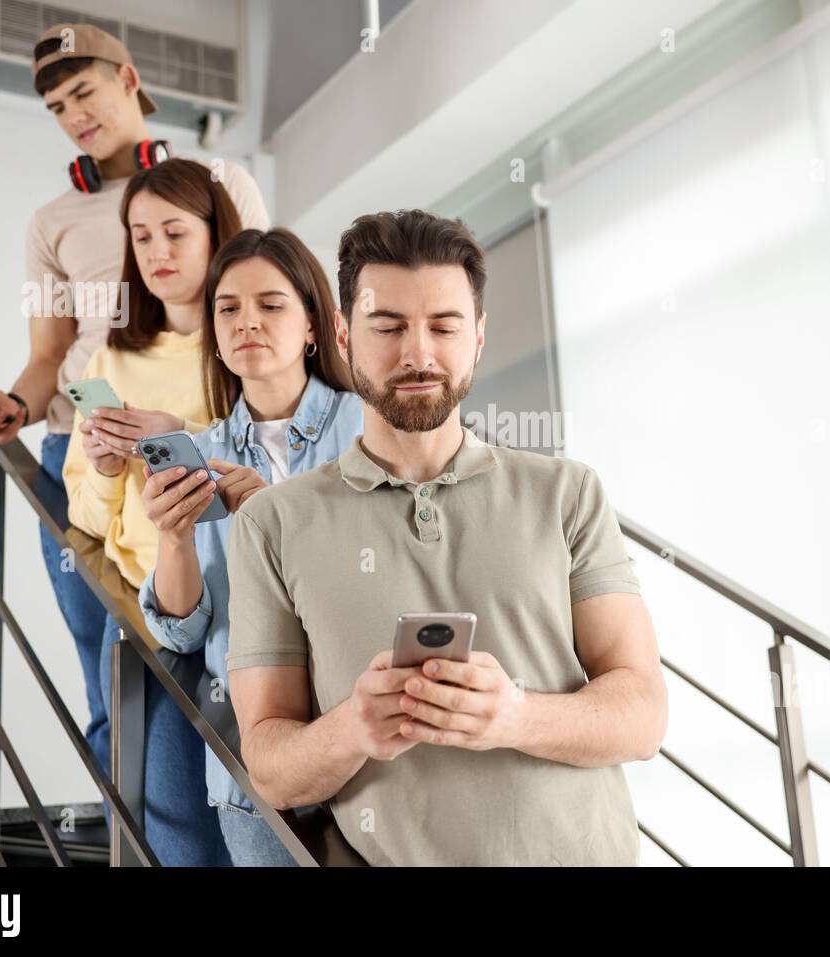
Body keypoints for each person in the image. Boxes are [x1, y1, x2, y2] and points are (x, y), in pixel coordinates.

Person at [225, 209, 669, 866]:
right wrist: (354, 728)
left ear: (479, 336)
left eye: (444, 326)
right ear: (344, 335)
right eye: (389, 325)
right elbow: (269, 764)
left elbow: (642, 714)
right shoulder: (273, 523)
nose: (418, 353)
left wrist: (514, 715)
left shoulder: (567, 492)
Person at [0, 22, 269, 781]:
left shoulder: (222, 182)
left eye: (83, 92)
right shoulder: (51, 223)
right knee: (110, 674)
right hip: (81, 454)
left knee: (214, 664)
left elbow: (265, 306)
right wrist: (15, 408)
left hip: (193, 441)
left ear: (129, 80)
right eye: (57, 106)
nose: (73, 115)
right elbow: (48, 357)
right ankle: (126, 833)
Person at [137, 228, 362, 866]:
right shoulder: (201, 451)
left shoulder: (368, 427)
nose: (246, 323)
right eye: (228, 308)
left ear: (315, 324)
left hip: (369, 736)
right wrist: (174, 539)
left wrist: (276, 517)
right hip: (252, 757)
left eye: (271, 304)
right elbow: (184, 636)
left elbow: (398, 569)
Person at [63, 158, 248, 866]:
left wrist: (185, 435)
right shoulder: (114, 352)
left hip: (240, 603)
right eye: (141, 237)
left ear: (214, 232)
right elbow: (84, 510)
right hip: (149, 612)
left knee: (255, 805)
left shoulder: (247, 337)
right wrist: (110, 470)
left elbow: (284, 465)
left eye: (175, 232)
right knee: (171, 816)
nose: (158, 253)